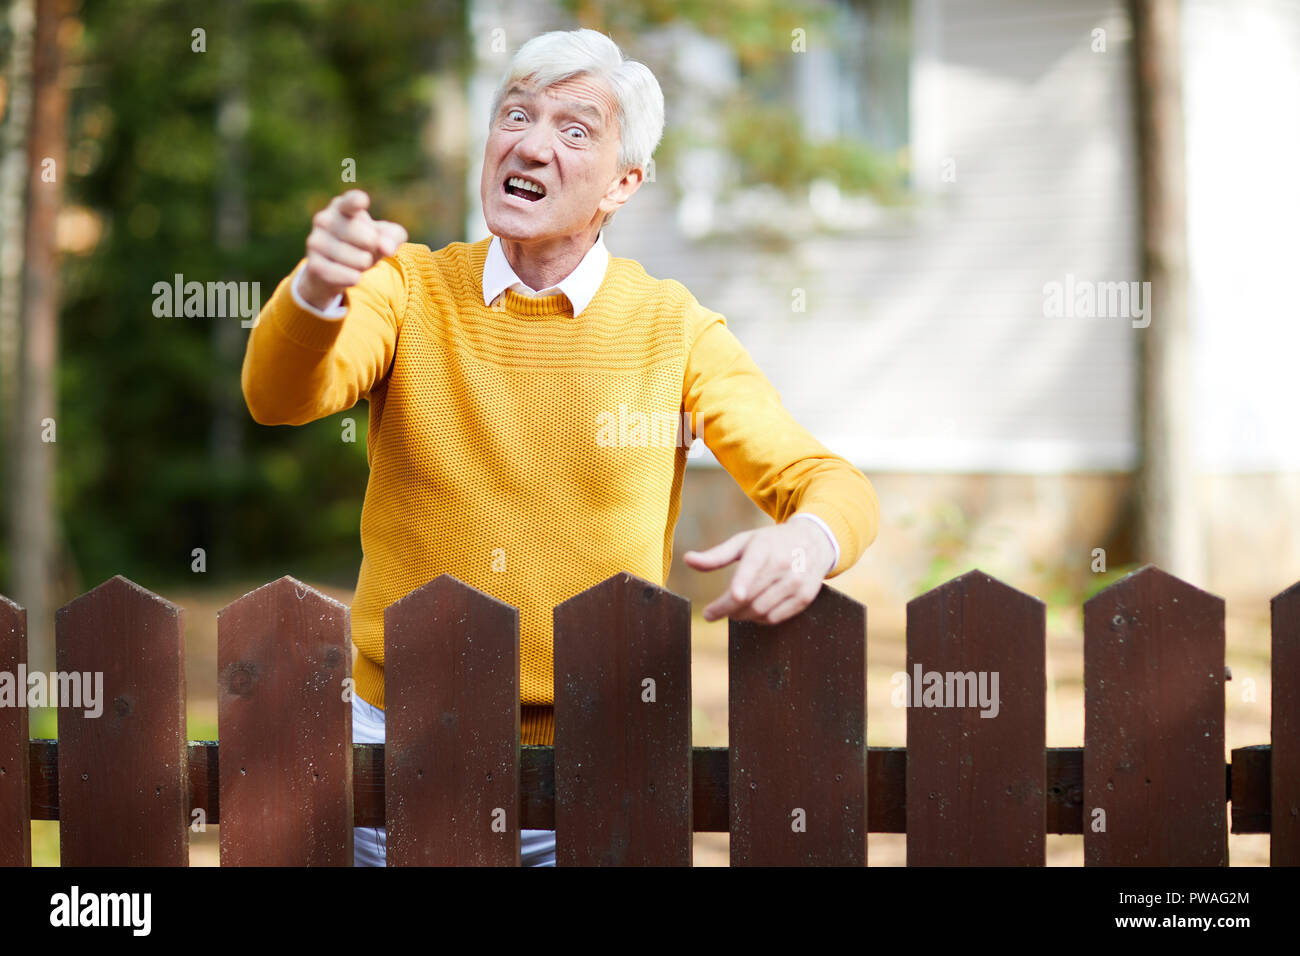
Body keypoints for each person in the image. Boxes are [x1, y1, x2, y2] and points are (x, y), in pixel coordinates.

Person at [240, 28, 880, 867]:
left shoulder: (673, 329)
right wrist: (317, 291)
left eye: (575, 129)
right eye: (516, 114)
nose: (531, 143)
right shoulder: (408, 290)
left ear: (623, 183)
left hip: (597, 763)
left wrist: (808, 538)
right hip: (391, 752)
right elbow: (281, 396)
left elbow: (826, 481)